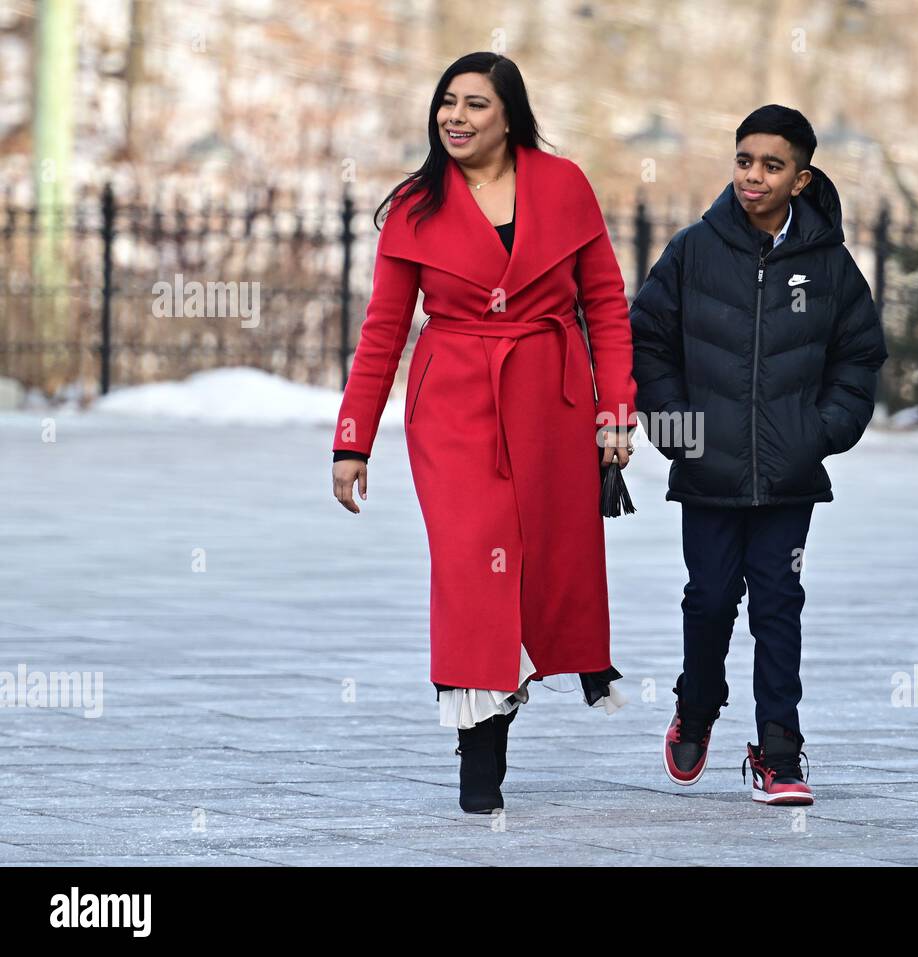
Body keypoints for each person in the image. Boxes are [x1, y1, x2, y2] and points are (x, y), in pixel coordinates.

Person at [331, 52, 637, 814]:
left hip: (551, 399)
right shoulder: (415, 205)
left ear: (509, 115)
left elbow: (604, 304)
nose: (456, 117)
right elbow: (382, 332)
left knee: (537, 562)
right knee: (472, 565)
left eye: (474, 104)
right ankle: (479, 746)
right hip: (454, 407)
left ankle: (520, 694)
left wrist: (616, 411)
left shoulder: (563, 185)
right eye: (447, 103)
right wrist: (351, 439)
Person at [630, 104, 887, 805]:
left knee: (779, 603)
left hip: (789, 475)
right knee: (709, 598)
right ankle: (699, 704)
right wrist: (678, 431)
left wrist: (822, 429)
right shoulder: (694, 249)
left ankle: (779, 747)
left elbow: (860, 354)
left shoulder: (828, 264)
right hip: (707, 470)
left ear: (801, 178)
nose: (754, 176)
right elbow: (645, 338)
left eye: (772, 166)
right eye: (744, 160)